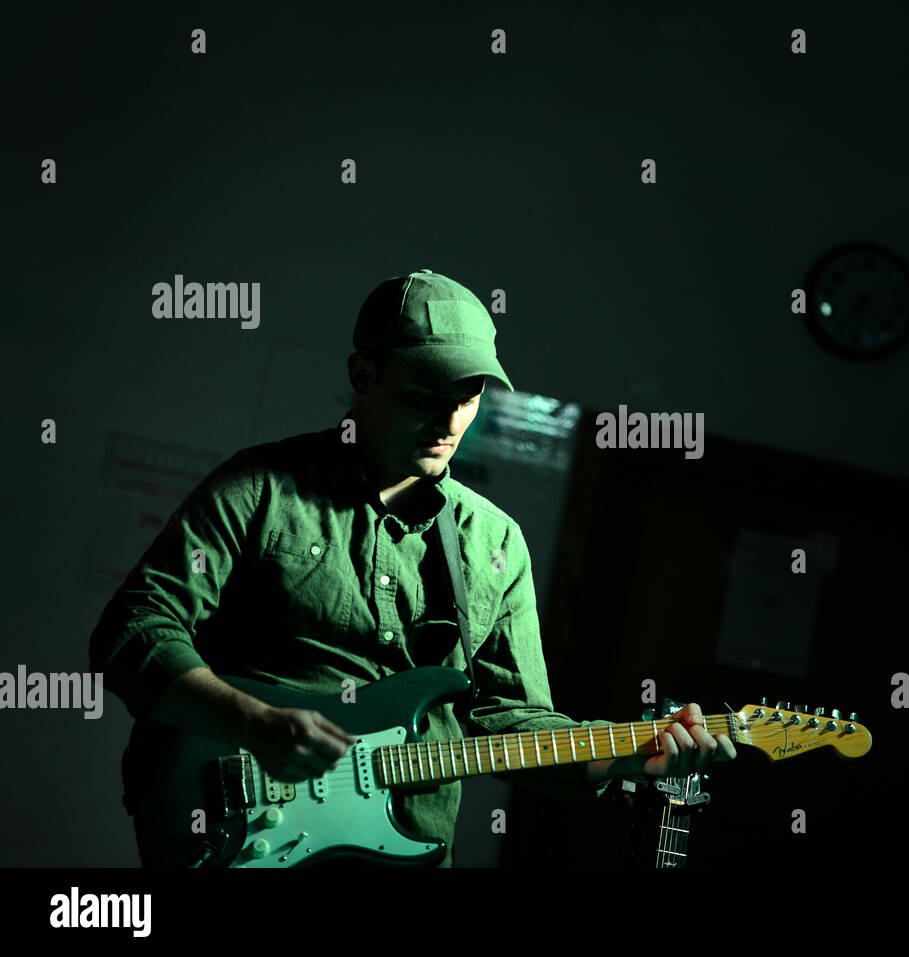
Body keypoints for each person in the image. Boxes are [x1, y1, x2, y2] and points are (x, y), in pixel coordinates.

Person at [88, 269, 735, 867]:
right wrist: (252, 721)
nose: (450, 419)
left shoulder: (494, 542)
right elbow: (134, 628)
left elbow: (510, 718)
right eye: (426, 393)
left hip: (406, 848)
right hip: (245, 830)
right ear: (363, 374)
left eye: (469, 394)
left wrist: (622, 754)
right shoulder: (260, 488)